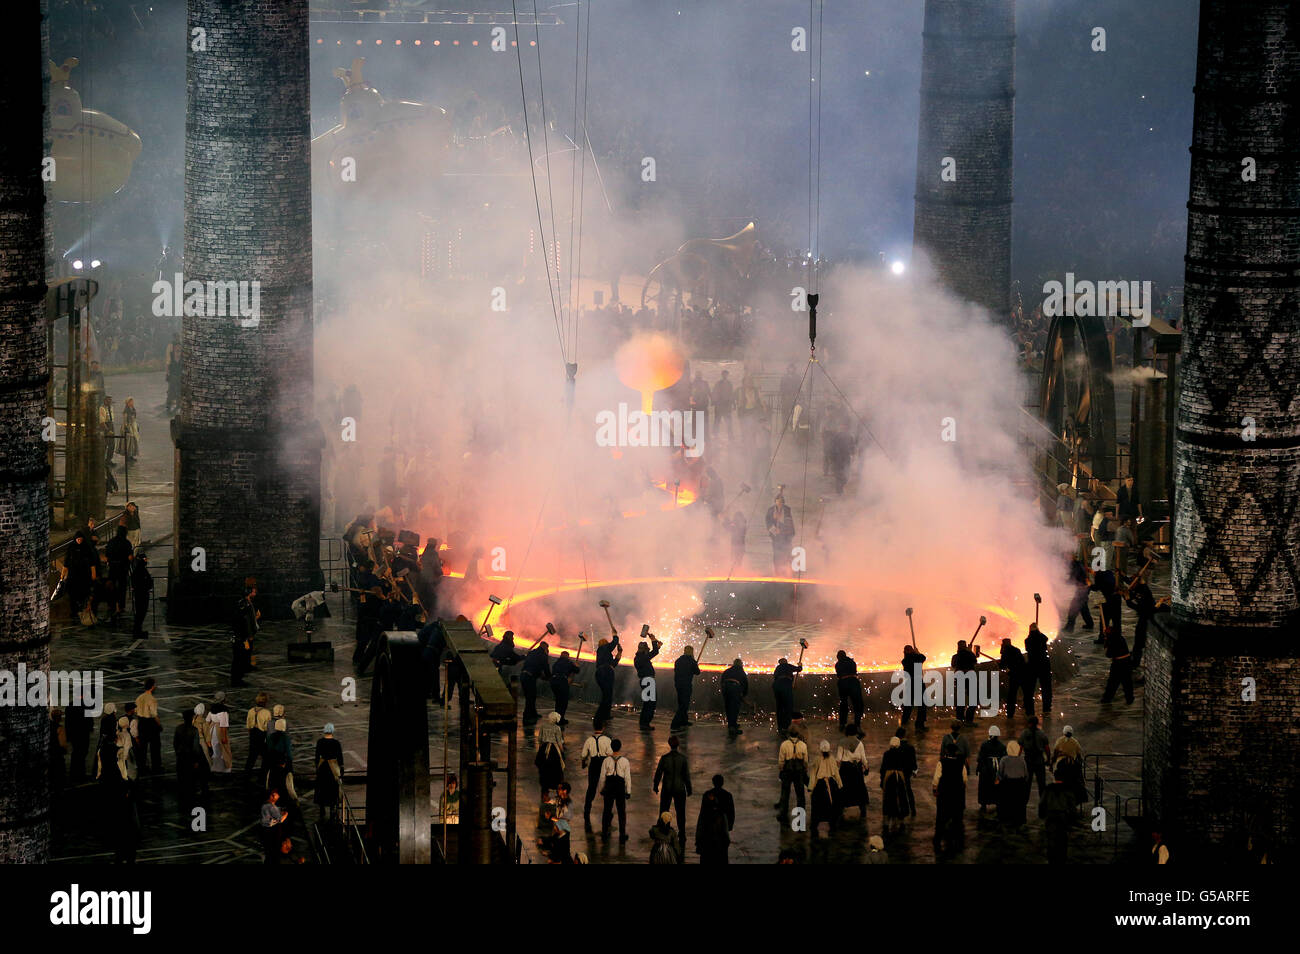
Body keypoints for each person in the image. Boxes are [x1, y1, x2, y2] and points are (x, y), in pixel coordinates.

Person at [652, 735, 692, 840]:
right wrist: (689, 788)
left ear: (669, 744)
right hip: (679, 788)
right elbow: (686, 776)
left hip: (667, 788)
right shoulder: (683, 759)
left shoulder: (665, 758)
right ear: (678, 745)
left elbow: (658, 773)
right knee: (681, 812)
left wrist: (656, 785)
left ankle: (665, 830)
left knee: (664, 810)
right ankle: (682, 833)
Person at [932, 741, 967, 851]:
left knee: (941, 818)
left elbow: (936, 778)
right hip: (957, 794)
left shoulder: (941, 762)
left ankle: (937, 840)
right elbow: (965, 779)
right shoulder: (961, 763)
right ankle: (958, 840)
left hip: (944, 794)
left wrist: (934, 789)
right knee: (957, 818)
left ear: (946, 751)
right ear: (956, 752)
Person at [1039, 765, 1077, 863]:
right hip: (1063, 818)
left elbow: (1042, 803)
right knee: (1062, 841)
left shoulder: (1048, 789)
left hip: (1050, 817)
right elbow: (1072, 807)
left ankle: (1052, 859)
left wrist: (1042, 815)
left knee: (1050, 841)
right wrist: (1072, 820)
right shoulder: (1068, 789)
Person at [695, 775, 735, 864]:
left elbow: (703, 814)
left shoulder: (707, 794)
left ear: (713, 782)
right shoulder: (727, 795)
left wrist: (698, 838)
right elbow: (731, 813)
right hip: (722, 830)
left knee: (708, 856)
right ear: (722, 783)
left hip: (708, 830)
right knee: (722, 856)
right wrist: (729, 826)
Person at [599, 738, 632, 841]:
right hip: (619, 786)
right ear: (620, 747)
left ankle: (604, 833)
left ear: (611, 747)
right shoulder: (625, 761)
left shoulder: (606, 760)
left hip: (609, 786)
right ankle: (622, 835)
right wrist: (628, 791)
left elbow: (602, 777)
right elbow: (627, 778)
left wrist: (602, 788)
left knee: (607, 810)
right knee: (621, 811)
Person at [808, 740, 842, 835]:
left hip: (820, 786)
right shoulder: (832, 759)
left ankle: (814, 825)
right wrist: (840, 784)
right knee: (832, 806)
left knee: (817, 807)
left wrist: (810, 788)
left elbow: (813, 775)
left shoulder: (817, 759)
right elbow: (836, 773)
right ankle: (832, 825)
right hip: (832, 785)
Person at [580, 722, 613, 820]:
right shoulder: (607, 740)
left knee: (591, 788)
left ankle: (587, 810)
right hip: (604, 764)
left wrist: (584, 762)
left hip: (593, 764)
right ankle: (607, 812)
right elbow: (610, 753)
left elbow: (583, 754)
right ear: (603, 727)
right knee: (607, 788)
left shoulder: (589, 740)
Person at [836, 726, 869, 819]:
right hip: (856, 769)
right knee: (859, 789)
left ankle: (841, 809)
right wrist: (866, 767)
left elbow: (838, 758)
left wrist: (835, 770)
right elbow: (863, 757)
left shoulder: (842, 742)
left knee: (844, 789)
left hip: (845, 769)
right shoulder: (860, 743)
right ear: (855, 732)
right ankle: (863, 810)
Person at [878, 737, 911, 832]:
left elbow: (883, 768)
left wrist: (882, 781)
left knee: (888, 799)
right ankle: (901, 821)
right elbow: (906, 767)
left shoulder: (887, 754)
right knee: (900, 798)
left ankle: (886, 822)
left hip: (889, 779)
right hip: (899, 778)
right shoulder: (902, 754)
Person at [776, 729, 808, 821]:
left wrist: (781, 770)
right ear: (798, 734)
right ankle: (801, 814)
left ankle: (783, 814)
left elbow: (781, 760)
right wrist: (805, 770)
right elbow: (805, 761)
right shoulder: (803, 745)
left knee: (785, 793)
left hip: (787, 771)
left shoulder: (784, 744)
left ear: (789, 734)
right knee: (800, 794)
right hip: (799, 771)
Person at [997, 740, 1030, 828]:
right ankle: (1020, 818)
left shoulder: (1004, 760)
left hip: (1007, 786)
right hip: (1020, 786)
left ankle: (1005, 817)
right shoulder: (1022, 760)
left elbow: (1000, 774)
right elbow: (1026, 775)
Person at [315, 723, 344, 824]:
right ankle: (332, 808)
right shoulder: (336, 743)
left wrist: (317, 767)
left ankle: (322, 808)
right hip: (332, 767)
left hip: (323, 766)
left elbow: (316, 756)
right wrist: (341, 768)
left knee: (321, 787)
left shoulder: (320, 742)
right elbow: (340, 757)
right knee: (332, 787)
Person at [231, 583, 259, 687]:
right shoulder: (243, 606)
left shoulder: (244, 606)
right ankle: (236, 680)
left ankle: (238, 679)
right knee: (238, 659)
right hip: (240, 637)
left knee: (240, 658)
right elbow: (242, 625)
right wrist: (245, 639)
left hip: (240, 636)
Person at [1051, 725, 1087, 805]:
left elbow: (1055, 753)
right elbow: (1079, 755)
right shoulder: (1075, 742)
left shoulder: (1059, 741)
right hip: (1072, 766)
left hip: (1060, 765)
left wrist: (1051, 764)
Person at [105, 525, 132, 625]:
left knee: (111, 586)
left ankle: (110, 604)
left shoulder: (111, 542)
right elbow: (129, 556)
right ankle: (121, 606)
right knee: (122, 587)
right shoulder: (126, 543)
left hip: (112, 567)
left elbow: (107, 554)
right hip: (122, 567)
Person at [133, 678, 162, 775]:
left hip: (142, 723)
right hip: (150, 724)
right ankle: (156, 767)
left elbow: (136, 711)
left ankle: (142, 767)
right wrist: (159, 725)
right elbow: (154, 715)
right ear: (152, 686)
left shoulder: (139, 697)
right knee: (155, 747)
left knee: (142, 747)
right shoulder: (152, 699)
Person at [593, 633, 622, 727]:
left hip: (604, 672)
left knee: (608, 695)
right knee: (607, 696)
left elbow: (613, 664)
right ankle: (599, 716)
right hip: (605, 673)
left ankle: (606, 715)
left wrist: (619, 652)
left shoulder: (605, 654)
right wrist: (615, 635)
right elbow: (614, 642)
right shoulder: (602, 648)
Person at [1102, 625, 1136, 705]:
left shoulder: (1112, 641)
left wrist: (1106, 643)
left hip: (1118, 664)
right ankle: (1129, 698)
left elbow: (1108, 654)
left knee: (1113, 682)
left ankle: (1107, 698)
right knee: (1127, 682)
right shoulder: (1121, 638)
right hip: (1127, 662)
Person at [976, 725, 1006, 814]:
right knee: (997, 786)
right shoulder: (1001, 746)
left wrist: (978, 769)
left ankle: (983, 804)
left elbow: (980, 758)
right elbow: (1004, 757)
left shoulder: (985, 745)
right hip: (997, 769)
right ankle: (997, 802)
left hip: (986, 769)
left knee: (984, 787)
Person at [519, 641, 551, 725]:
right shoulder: (543, 655)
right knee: (531, 697)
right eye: (547, 648)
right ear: (545, 648)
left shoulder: (532, 652)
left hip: (524, 675)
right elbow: (546, 668)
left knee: (530, 696)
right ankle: (527, 716)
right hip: (530, 677)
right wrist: (549, 677)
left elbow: (533, 665)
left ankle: (533, 713)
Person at [535, 711, 566, 798]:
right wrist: (562, 753)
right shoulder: (557, 728)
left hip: (544, 748)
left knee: (544, 771)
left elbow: (540, 740)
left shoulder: (543, 726)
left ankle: (544, 795)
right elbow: (559, 742)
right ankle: (558, 796)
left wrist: (540, 751)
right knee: (556, 771)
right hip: (554, 751)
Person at [998, 637, 1030, 719]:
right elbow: (1022, 661)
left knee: (1012, 695)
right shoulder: (1017, 650)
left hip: (1014, 675)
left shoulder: (1005, 652)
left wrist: (1000, 663)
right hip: (1024, 673)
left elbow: (1002, 665)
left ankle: (1010, 714)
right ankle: (1029, 710)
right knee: (1026, 692)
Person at [634, 635, 662, 728]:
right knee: (651, 703)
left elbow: (653, 652)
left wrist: (657, 646)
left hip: (645, 681)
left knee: (647, 703)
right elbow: (653, 652)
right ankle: (645, 723)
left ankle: (643, 723)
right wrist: (653, 640)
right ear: (644, 650)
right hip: (648, 680)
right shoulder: (642, 657)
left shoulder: (639, 658)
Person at [1023, 622, 1051, 715]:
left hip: (1032, 666)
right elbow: (1045, 638)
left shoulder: (1027, 640)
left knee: (1029, 690)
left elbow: (1027, 649)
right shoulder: (1042, 638)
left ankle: (1030, 711)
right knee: (1046, 688)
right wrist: (1038, 631)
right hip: (1044, 665)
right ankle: (1046, 708)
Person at [671, 645, 700, 730]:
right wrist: (695, 664)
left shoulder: (678, 660)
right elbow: (697, 672)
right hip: (686, 685)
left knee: (681, 703)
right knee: (684, 704)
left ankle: (684, 721)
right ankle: (674, 724)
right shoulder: (692, 661)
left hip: (678, 684)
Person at [765, 494, 795, 576]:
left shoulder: (786, 510)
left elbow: (789, 523)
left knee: (786, 553)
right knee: (777, 554)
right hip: (776, 537)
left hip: (785, 536)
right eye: (778, 501)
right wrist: (775, 530)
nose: (779, 503)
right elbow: (768, 523)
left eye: (781, 501)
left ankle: (786, 571)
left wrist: (783, 530)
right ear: (775, 501)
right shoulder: (771, 510)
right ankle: (777, 572)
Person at [1020, 716, 1051, 796]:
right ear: (1037, 723)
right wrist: (1048, 759)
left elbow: (1019, 748)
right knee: (1041, 784)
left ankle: (1023, 804)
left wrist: (1017, 759)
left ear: (1029, 723)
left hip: (1028, 761)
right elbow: (1047, 748)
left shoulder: (1024, 733)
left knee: (1026, 785)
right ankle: (1043, 804)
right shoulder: (1041, 734)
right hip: (1039, 761)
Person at [950, 639, 979, 723]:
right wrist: (969, 652)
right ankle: (969, 720)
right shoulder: (968, 654)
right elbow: (974, 661)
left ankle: (960, 719)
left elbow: (953, 665)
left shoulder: (955, 656)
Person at [834, 650, 865, 730]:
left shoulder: (838, 664)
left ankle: (842, 724)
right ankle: (857, 724)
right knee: (857, 704)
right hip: (854, 683)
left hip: (843, 684)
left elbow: (839, 675)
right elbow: (854, 671)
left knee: (843, 704)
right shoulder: (852, 662)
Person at [899, 644, 928, 728]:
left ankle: (904, 721)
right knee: (922, 704)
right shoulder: (914, 658)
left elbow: (921, 658)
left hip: (909, 682)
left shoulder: (904, 660)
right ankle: (919, 724)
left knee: (908, 703)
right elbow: (923, 658)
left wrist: (915, 653)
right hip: (917, 682)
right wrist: (917, 652)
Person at [772, 655, 801, 735]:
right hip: (786, 687)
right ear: (785, 662)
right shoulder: (787, 666)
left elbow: (775, 678)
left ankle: (780, 727)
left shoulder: (777, 668)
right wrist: (800, 664)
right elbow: (799, 669)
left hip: (777, 687)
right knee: (788, 706)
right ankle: (787, 726)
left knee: (780, 707)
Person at [550, 650, 579, 726]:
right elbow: (577, 670)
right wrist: (576, 665)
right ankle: (560, 719)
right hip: (562, 682)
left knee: (558, 701)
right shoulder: (568, 662)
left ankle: (557, 718)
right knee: (563, 702)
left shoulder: (556, 663)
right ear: (567, 656)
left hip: (553, 682)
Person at [721, 657, 748, 737]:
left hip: (726, 688)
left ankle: (731, 724)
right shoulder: (741, 671)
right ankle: (733, 727)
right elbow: (745, 684)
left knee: (728, 708)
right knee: (734, 708)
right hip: (735, 689)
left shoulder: (727, 671)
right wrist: (744, 694)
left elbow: (722, 681)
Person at [245, 693, 272, 773]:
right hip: (262, 736)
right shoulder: (266, 712)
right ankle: (263, 775)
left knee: (251, 756)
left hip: (253, 735)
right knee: (266, 757)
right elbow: (268, 728)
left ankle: (246, 774)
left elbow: (248, 726)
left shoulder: (250, 711)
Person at [261, 789, 289, 863]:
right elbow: (280, 819)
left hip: (268, 833)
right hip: (271, 833)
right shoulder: (270, 807)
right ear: (272, 796)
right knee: (273, 854)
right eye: (277, 795)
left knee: (270, 853)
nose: (278, 796)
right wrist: (286, 814)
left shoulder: (267, 805)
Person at [129, 550, 152, 637]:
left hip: (141, 592)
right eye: (145, 559)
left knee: (141, 612)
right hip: (142, 593)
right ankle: (137, 631)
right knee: (140, 612)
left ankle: (138, 630)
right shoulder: (140, 570)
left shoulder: (139, 569)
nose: (146, 561)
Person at [712, 369, 734, 441]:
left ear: (727, 375)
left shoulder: (730, 384)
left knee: (729, 422)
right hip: (719, 405)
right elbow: (714, 392)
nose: (725, 376)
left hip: (727, 406)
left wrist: (733, 403)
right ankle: (715, 435)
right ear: (722, 375)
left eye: (726, 374)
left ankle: (730, 436)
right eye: (724, 374)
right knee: (717, 421)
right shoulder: (718, 383)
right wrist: (715, 402)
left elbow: (731, 394)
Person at [120, 396, 141, 462]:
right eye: (130, 402)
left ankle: (131, 455)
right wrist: (127, 427)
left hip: (133, 426)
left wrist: (136, 425)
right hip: (128, 427)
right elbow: (125, 420)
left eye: (132, 401)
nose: (132, 403)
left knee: (133, 442)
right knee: (128, 442)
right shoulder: (126, 410)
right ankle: (128, 457)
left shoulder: (133, 409)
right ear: (127, 403)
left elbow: (134, 418)